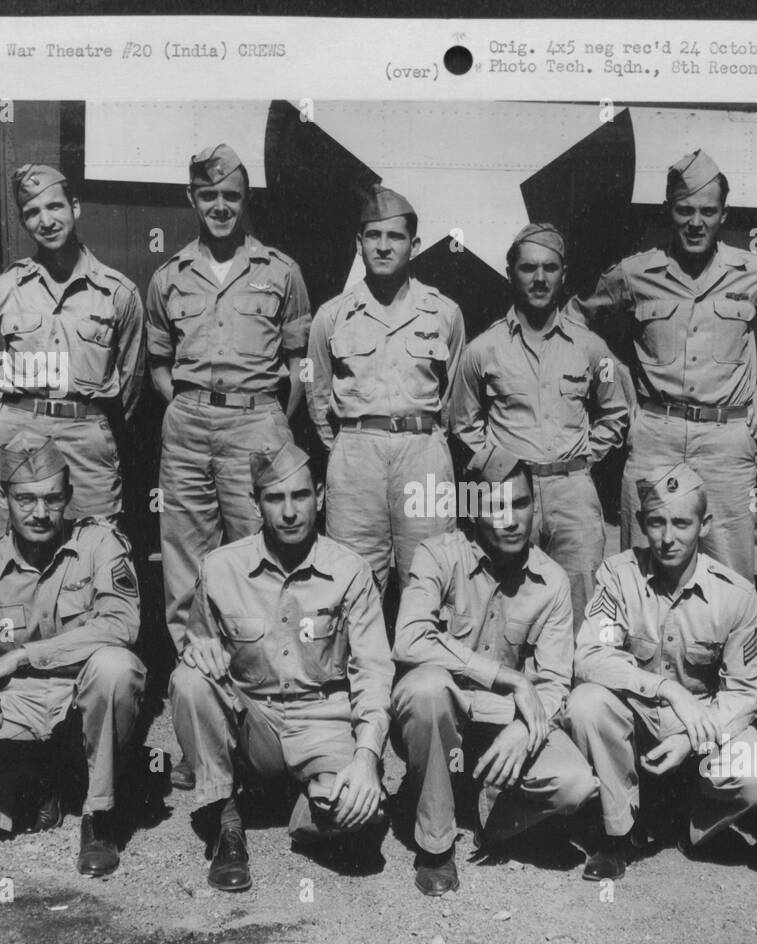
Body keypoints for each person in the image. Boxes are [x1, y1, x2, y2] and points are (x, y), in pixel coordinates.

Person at [169, 441, 393, 893]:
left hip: (323, 721)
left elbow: (372, 672)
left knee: (360, 817)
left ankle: (304, 800)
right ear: (255, 504)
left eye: (300, 496)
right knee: (189, 681)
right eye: (275, 499)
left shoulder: (350, 571)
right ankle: (226, 823)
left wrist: (368, 758)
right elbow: (197, 647)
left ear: (320, 497)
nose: (289, 512)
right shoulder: (220, 569)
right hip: (255, 722)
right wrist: (196, 653)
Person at [0, 432, 145, 877]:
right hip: (16, 713)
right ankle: (28, 785)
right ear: (1, 498)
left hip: (82, 703)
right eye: (26, 500)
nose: (40, 513)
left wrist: (21, 655)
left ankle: (98, 814)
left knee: (116, 667)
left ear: (69, 497)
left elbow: (120, 626)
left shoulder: (101, 545)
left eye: (52, 499)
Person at [392, 448, 599, 896]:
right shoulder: (437, 555)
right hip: (442, 713)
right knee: (428, 687)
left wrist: (526, 731)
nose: (510, 520)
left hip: (501, 723)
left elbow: (553, 682)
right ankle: (436, 845)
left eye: (521, 504)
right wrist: (508, 678)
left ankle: (489, 814)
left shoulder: (552, 581)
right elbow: (408, 639)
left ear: (535, 506)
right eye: (494, 507)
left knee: (575, 783)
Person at [570, 150, 757, 578]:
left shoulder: (755, 273)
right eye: (685, 211)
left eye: (707, 211)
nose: (695, 222)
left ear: (724, 213)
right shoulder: (635, 274)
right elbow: (577, 320)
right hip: (655, 437)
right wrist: (618, 378)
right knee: (641, 570)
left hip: (726, 442)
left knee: (732, 574)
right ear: (669, 211)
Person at [566, 463, 757, 880]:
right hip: (639, 715)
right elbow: (591, 654)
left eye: (681, 523)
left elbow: (746, 693)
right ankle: (619, 833)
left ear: (705, 524)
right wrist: (665, 688)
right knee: (586, 703)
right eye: (657, 523)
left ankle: (691, 824)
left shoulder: (735, 595)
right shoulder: (618, 576)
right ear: (642, 524)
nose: (667, 537)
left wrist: (690, 739)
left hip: (699, 723)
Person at [145, 142, 312, 653]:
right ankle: (194, 663)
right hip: (188, 425)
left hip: (256, 420)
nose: (221, 207)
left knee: (260, 546)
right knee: (185, 551)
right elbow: (158, 365)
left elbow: (298, 364)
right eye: (208, 195)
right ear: (191, 198)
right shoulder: (168, 276)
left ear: (246, 200)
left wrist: (267, 418)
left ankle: (264, 664)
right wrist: (190, 407)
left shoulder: (280, 271)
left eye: (231, 197)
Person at [450, 223, 628, 625]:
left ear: (563, 275)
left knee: (583, 598)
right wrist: (499, 468)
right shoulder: (483, 350)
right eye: (529, 268)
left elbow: (614, 411)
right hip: (509, 493)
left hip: (573, 495)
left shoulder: (591, 348)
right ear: (511, 272)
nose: (540, 278)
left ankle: (579, 686)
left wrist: (583, 458)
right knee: (505, 601)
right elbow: (464, 422)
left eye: (550, 268)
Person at [306, 185, 466, 609]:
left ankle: (431, 675)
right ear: (358, 245)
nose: (383, 246)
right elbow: (319, 396)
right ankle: (362, 677)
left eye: (394, 237)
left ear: (413, 245)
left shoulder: (444, 313)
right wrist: (349, 443)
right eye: (373, 236)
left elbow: (453, 400)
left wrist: (426, 438)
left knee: (431, 574)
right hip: (356, 456)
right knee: (352, 580)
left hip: (423, 453)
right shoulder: (332, 315)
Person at [0, 164, 145, 550]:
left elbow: (131, 386)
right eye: (33, 213)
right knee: (1, 560)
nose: (46, 221)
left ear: (76, 207)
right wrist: (16, 417)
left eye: (55, 207)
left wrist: (90, 424)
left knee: (95, 557)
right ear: (23, 220)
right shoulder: (4, 290)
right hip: (15, 433)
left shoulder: (118, 293)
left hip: (87, 442)